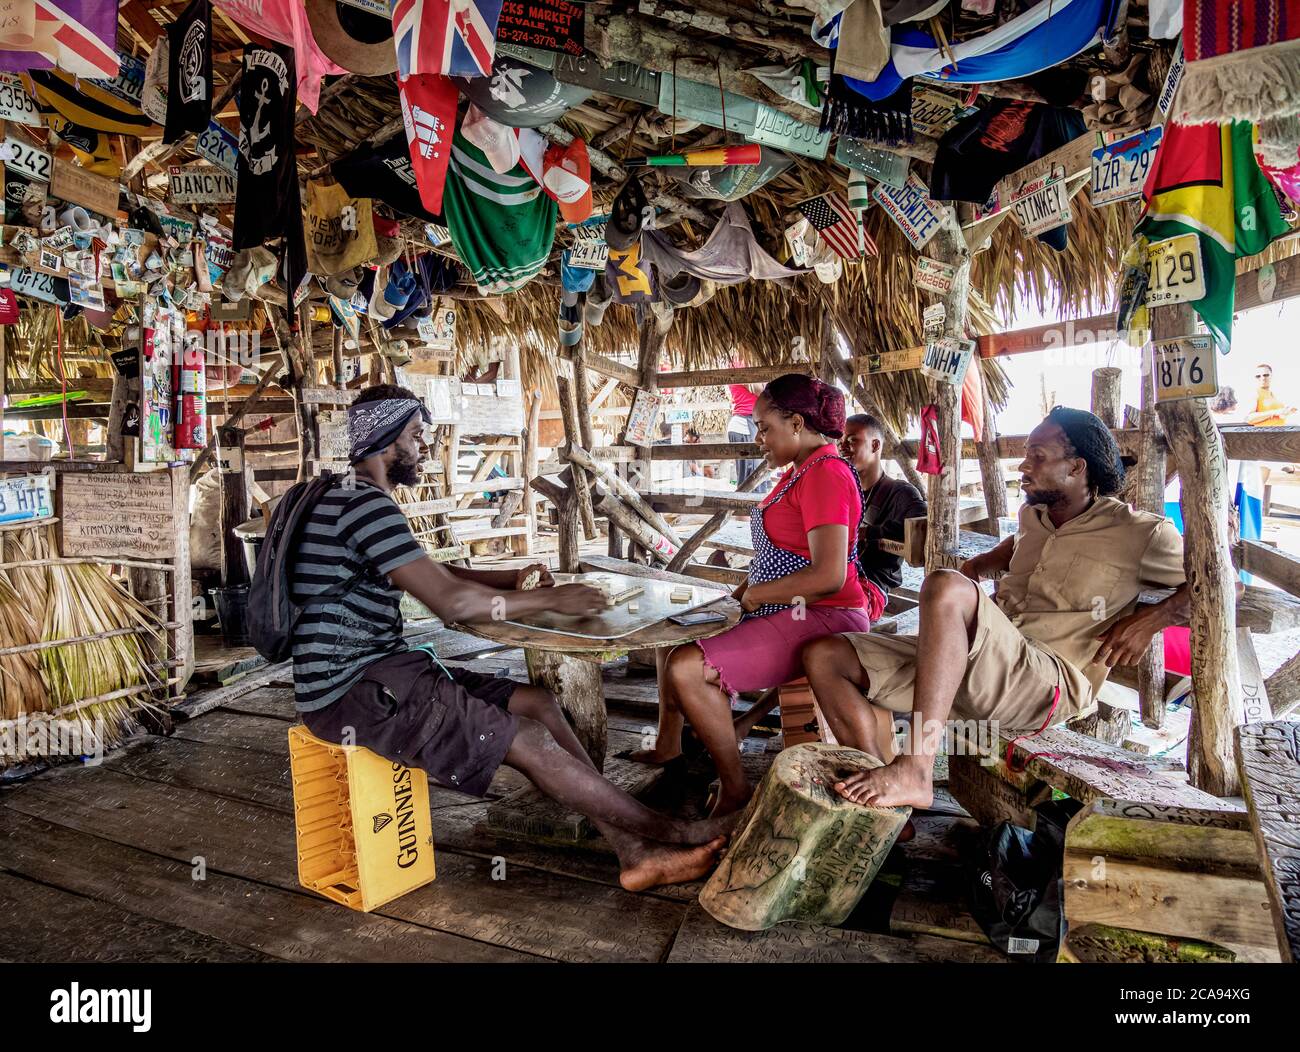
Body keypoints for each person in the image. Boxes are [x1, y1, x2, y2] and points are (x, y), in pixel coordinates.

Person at [289, 384, 730, 890]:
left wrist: (509, 579)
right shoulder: (367, 506)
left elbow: (430, 570)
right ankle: (672, 831)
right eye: (416, 435)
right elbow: (449, 601)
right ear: (388, 441)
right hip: (352, 692)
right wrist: (551, 600)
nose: (424, 446)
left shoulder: (342, 494)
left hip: (382, 672)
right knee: (528, 738)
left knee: (538, 703)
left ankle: (634, 849)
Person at [802, 407, 1190, 809]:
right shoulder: (1034, 517)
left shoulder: (1142, 533)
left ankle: (915, 766)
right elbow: (1022, 549)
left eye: (1038, 456)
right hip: (975, 668)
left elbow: (1218, 588)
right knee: (824, 655)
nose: (1024, 465)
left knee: (946, 586)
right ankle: (890, 808)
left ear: (1076, 468)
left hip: (1045, 683)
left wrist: (1153, 620)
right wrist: (983, 563)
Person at [628, 374, 872, 815]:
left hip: (825, 615)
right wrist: (736, 596)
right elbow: (773, 559)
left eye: (764, 427)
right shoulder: (801, 472)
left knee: (687, 667)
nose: (758, 438)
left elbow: (829, 576)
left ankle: (735, 785)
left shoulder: (826, 475)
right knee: (671, 636)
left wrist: (756, 597)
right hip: (788, 607)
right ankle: (669, 746)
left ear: (796, 423)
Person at [840, 413, 928, 623]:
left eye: (852, 440)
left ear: (875, 445)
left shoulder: (901, 493)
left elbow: (922, 529)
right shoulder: (841, 490)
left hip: (869, 588)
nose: (842, 447)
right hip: (833, 577)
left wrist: (865, 533)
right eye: (841, 441)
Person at [728, 358, 768, 491]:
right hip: (745, 423)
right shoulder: (739, 362)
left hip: (751, 422)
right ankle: (749, 511)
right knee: (751, 481)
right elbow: (761, 392)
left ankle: (755, 511)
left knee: (758, 478)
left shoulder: (748, 362)